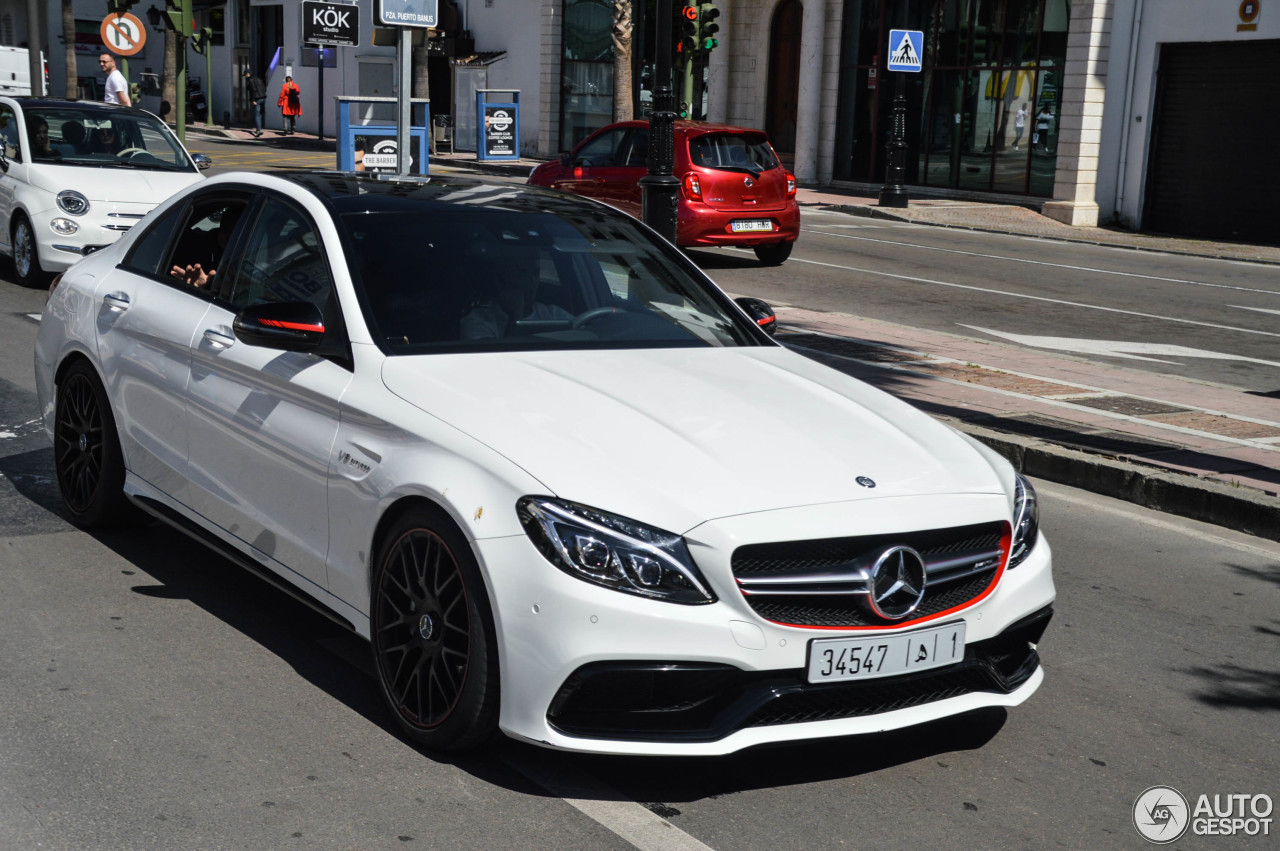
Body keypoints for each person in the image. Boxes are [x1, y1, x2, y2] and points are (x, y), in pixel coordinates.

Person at [460, 253, 572, 339]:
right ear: (500, 280)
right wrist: (515, 314)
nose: (532, 280)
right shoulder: (478, 322)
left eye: (535, 273)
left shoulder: (553, 315)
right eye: (522, 273)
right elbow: (496, 363)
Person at [169, 206, 243, 289]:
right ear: (223, 240)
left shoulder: (250, 263)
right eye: (241, 239)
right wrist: (201, 288)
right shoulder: (208, 266)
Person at [244, 70, 267, 138]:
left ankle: (259, 130)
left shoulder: (250, 80)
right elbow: (264, 88)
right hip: (263, 97)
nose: (245, 76)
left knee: (257, 115)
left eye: (245, 75)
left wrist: (253, 100)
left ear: (248, 74)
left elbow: (253, 90)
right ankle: (258, 129)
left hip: (257, 98)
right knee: (260, 113)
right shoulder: (259, 79)